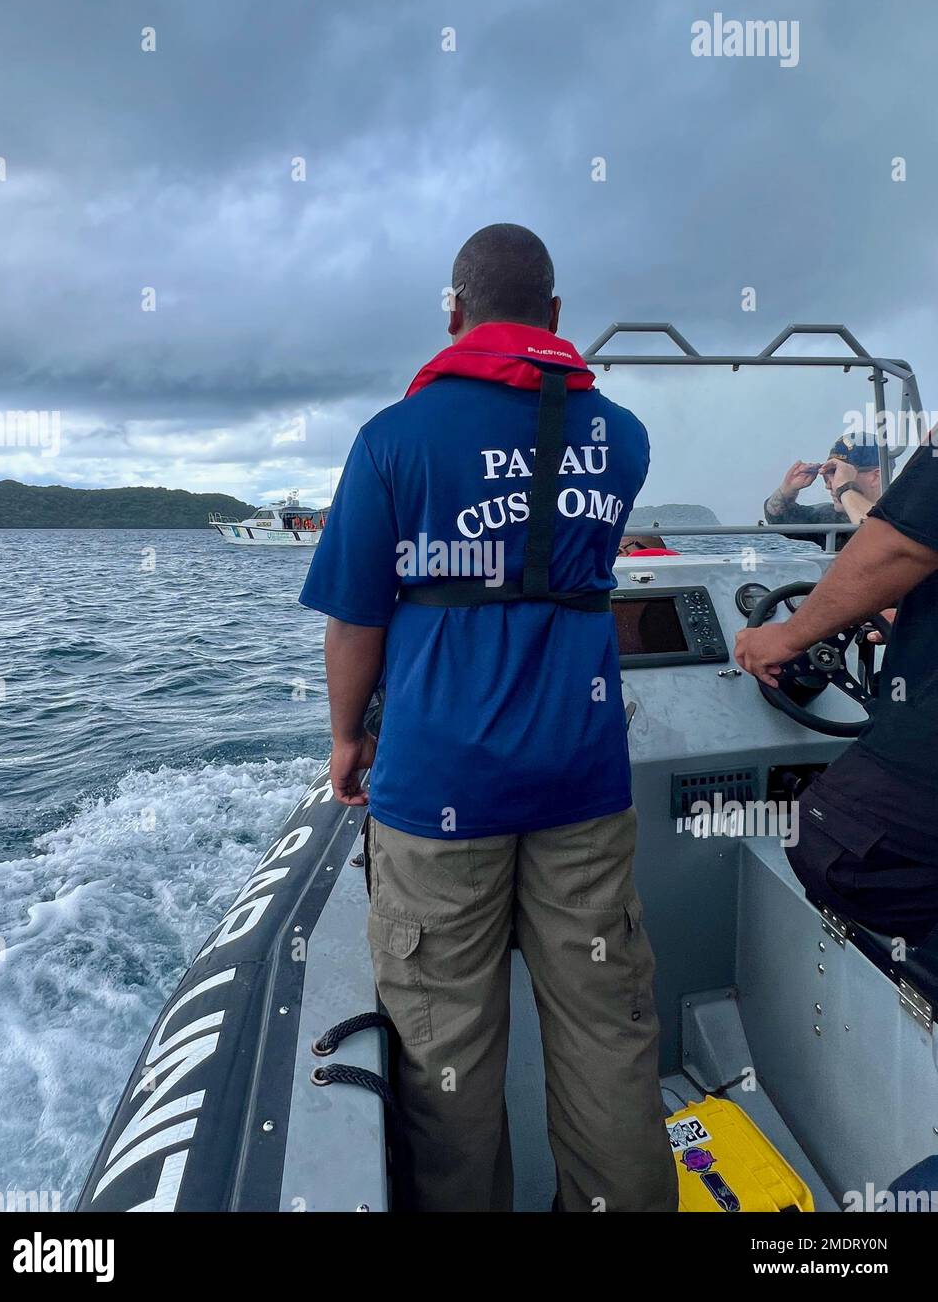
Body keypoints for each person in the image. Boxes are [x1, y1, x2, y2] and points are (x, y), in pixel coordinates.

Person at [299, 223, 676, 1213]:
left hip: (439, 793)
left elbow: (355, 620)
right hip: (583, 784)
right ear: (554, 317)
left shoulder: (392, 440)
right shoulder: (623, 436)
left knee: (446, 1048)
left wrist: (346, 740)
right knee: (606, 1028)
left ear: (454, 313)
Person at [736, 435, 938, 943]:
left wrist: (786, 637)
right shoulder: (834, 527)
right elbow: (784, 520)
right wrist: (787, 493)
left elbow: (892, 543)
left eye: (843, 473)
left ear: (879, 475)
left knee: (829, 844)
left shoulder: (884, 519)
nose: (832, 482)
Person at [763, 433, 882, 544]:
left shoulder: (899, 515)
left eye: (839, 474)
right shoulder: (831, 519)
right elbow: (779, 517)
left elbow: (881, 537)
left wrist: (845, 488)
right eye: (826, 476)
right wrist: (787, 490)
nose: (829, 485)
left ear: (876, 477)